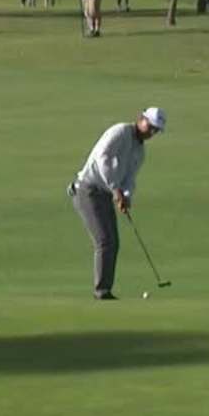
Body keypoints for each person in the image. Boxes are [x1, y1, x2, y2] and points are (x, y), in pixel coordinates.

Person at [68, 107, 166, 300]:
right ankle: (101, 291)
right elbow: (102, 158)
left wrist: (126, 196)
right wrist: (115, 188)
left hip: (105, 194)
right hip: (87, 190)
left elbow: (130, 178)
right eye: (151, 126)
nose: (152, 132)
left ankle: (105, 289)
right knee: (104, 241)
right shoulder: (120, 131)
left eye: (156, 130)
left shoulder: (140, 151)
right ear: (141, 119)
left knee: (113, 242)